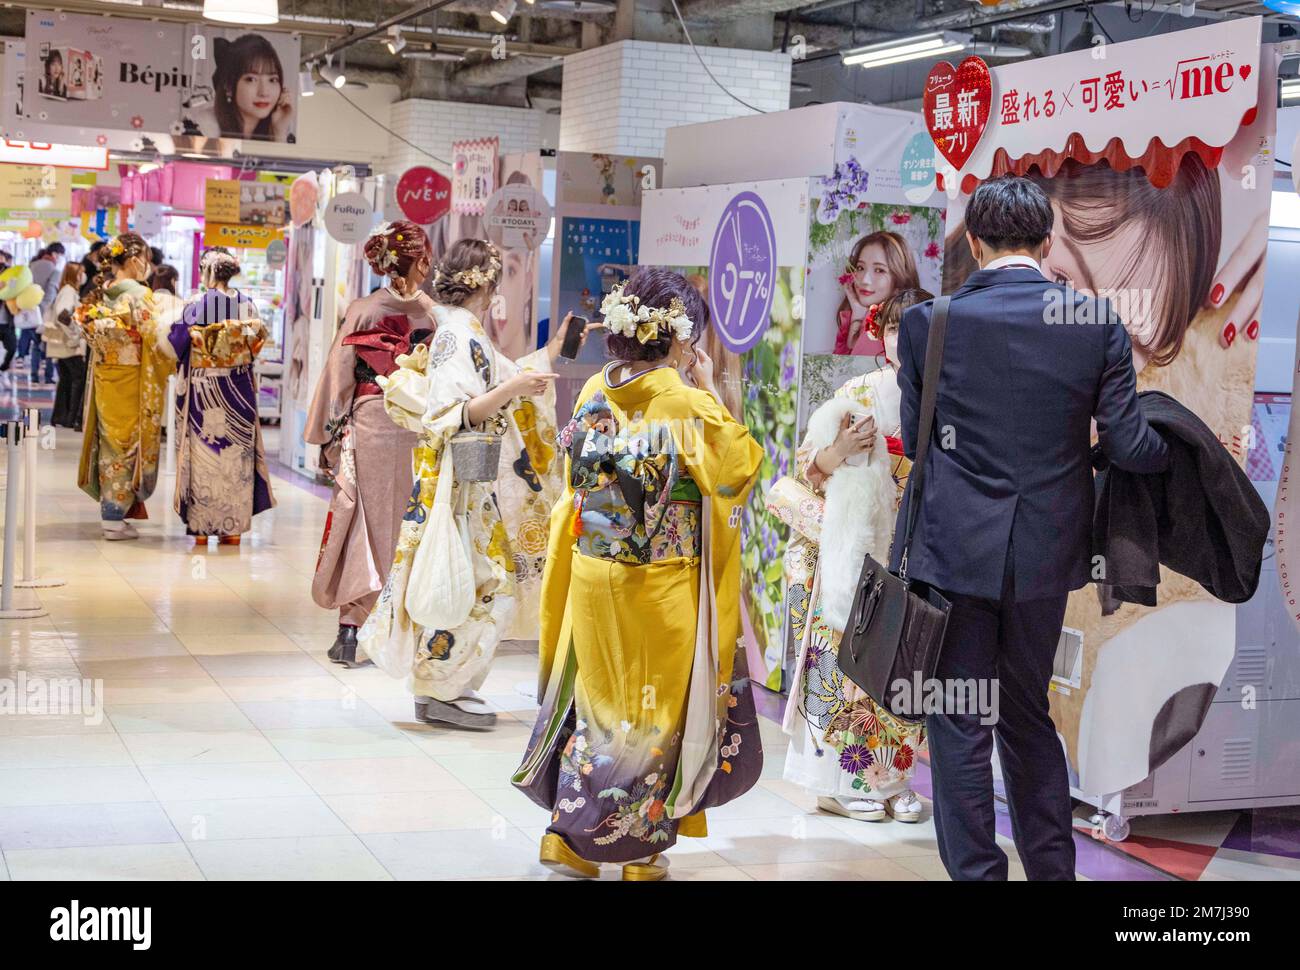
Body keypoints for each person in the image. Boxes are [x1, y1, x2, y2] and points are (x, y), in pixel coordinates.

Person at [892, 176, 1169, 881]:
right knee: (1025, 711)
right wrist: (1184, 449)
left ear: (975, 244)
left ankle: (979, 874)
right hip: (1046, 556)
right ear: (1049, 243)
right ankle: (1053, 870)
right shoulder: (1097, 323)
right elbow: (1132, 446)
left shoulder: (930, 323)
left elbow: (914, 442)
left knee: (956, 717)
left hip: (952, 554)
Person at [512, 268, 764, 880]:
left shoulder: (600, 384)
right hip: (658, 582)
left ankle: (566, 835)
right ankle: (634, 847)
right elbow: (736, 471)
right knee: (649, 713)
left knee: (599, 702)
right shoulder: (680, 398)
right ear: (680, 337)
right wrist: (709, 388)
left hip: (595, 571)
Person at [360, 238, 572, 728]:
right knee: (482, 581)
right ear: (489, 286)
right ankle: (442, 687)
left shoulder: (461, 327)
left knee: (477, 578)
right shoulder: (459, 335)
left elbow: (503, 377)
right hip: (461, 483)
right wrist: (515, 389)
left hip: (472, 480)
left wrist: (551, 353)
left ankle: (446, 685)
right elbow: (452, 413)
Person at [781, 290, 931, 823]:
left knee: (900, 662)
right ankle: (838, 782)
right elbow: (808, 470)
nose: (901, 341)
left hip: (911, 546)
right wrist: (843, 450)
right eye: (892, 329)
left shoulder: (944, 396)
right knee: (844, 662)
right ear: (880, 334)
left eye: (912, 329)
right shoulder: (855, 394)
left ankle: (895, 781)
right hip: (850, 547)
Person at [305, 222, 438, 667]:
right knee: (413, 521)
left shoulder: (363, 310)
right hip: (419, 427)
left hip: (371, 424)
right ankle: (408, 628)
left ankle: (351, 627)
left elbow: (339, 375)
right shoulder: (435, 315)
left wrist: (325, 434)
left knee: (362, 517)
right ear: (421, 261)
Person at [169, 248, 274, 545]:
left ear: (207, 272)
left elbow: (176, 340)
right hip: (237, 386)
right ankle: (232, 529)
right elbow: (256, 343)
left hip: (204, 388)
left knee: (205, 453)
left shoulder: (196, 304)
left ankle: (202, 530)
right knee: (236, 456)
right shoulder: (247, 305)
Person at [76, 233, 175, 540]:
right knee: (127, 445)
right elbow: (156, 336)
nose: (146, 264)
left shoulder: (103, 292)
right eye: (144, 258)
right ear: (133, 260)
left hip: (107, 376)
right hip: (132, 378)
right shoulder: (138, 295)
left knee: (110, 441)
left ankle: (112, 513)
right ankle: (114, 518)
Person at [184, 35, 294, 143]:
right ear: (229, 86)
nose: (264, 92)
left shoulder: (283, 132)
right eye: (251, 79)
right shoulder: (200, 129)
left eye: (272, 80)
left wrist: (279, 132)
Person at [835, 231, 919, 357]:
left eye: (879, 270)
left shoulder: (891, 331)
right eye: (860, 268)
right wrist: (858, 314)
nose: (864, 280)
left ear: (899, 281)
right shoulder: (867, 318)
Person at [46, 262, 89, 429]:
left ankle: (60, 416)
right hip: (67, 345)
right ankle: (70, 417)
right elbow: (63, 315)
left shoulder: (66, 291)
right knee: (78, 377)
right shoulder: (69, 292)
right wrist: (74, 335)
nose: (83, 276)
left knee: (66, 379)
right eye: (81, 273)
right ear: (75, 275)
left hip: (62, 344)